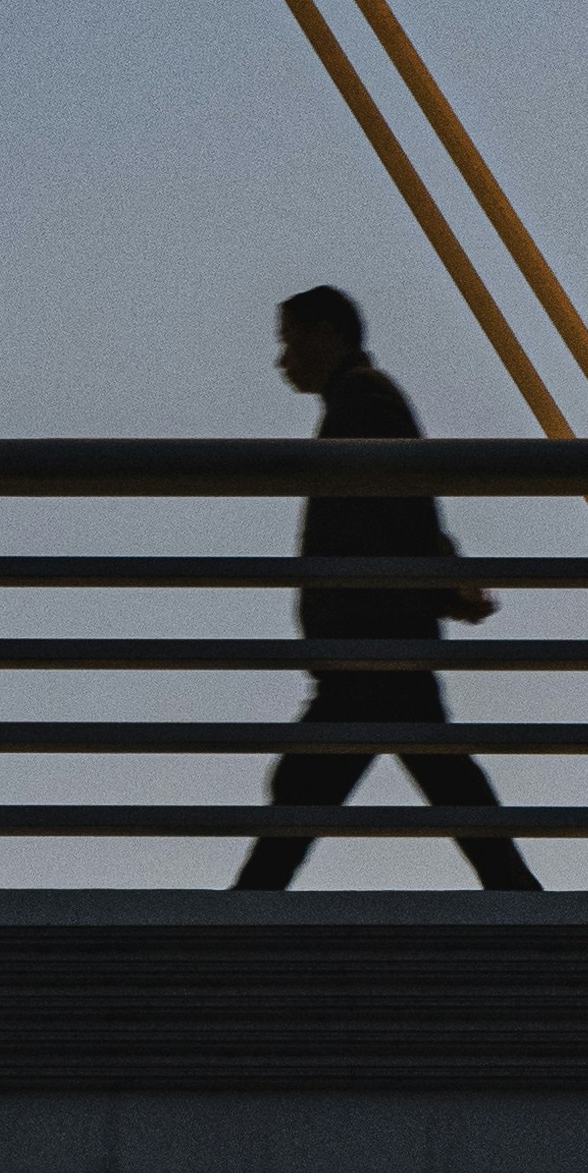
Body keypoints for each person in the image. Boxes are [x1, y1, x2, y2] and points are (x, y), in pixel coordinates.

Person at [232, 283, 539, 894]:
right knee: (432, 777)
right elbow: (409, 504)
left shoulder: (363, 400)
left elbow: (403, 505)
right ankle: (521, 900)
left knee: (311, 788)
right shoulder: (360, 399)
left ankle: (239, 918)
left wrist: (444, 584)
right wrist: (446, 584)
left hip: (371, 638)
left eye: (291, 341)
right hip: (381, 636)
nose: (283, 359)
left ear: (326, 335)